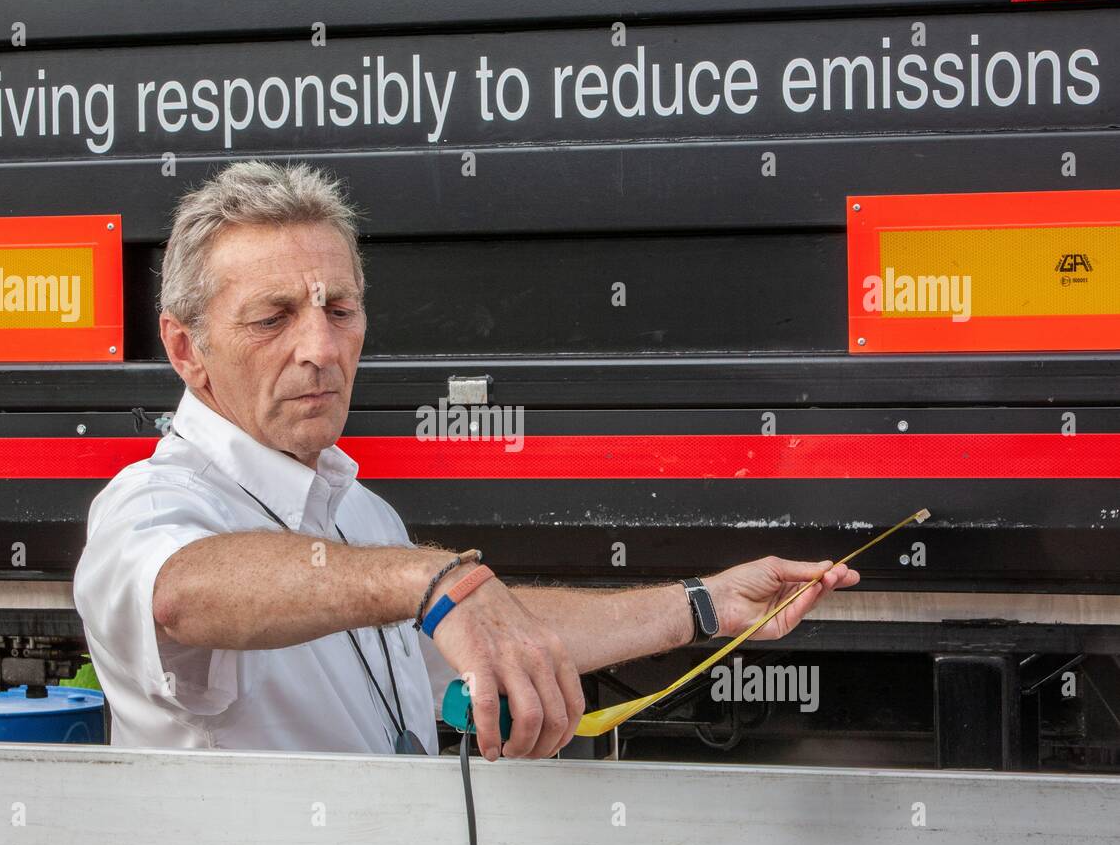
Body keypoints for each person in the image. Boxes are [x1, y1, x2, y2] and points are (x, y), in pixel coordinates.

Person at [73, 159, 859, 762]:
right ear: (186, 349)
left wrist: (700, 605)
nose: (320, 350)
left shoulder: (359, 513)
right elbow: (182, 594)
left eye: (340, 311)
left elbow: (475, 635)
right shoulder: (147, 506)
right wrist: (428, 579)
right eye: (272, 319)